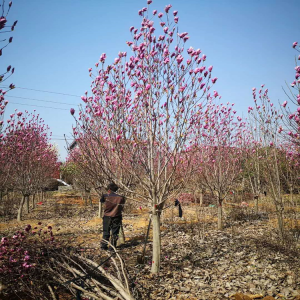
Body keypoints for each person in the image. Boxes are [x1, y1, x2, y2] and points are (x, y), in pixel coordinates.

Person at [100, 182, 125, 250]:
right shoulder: (121, 197)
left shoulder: (105, 196)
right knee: (115, 233)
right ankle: (112, 247)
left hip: (107, 216)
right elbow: (123, 204)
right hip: (117, 216)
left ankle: (103, 246)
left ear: (109, 189)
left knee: (106, 232)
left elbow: (101, 201)